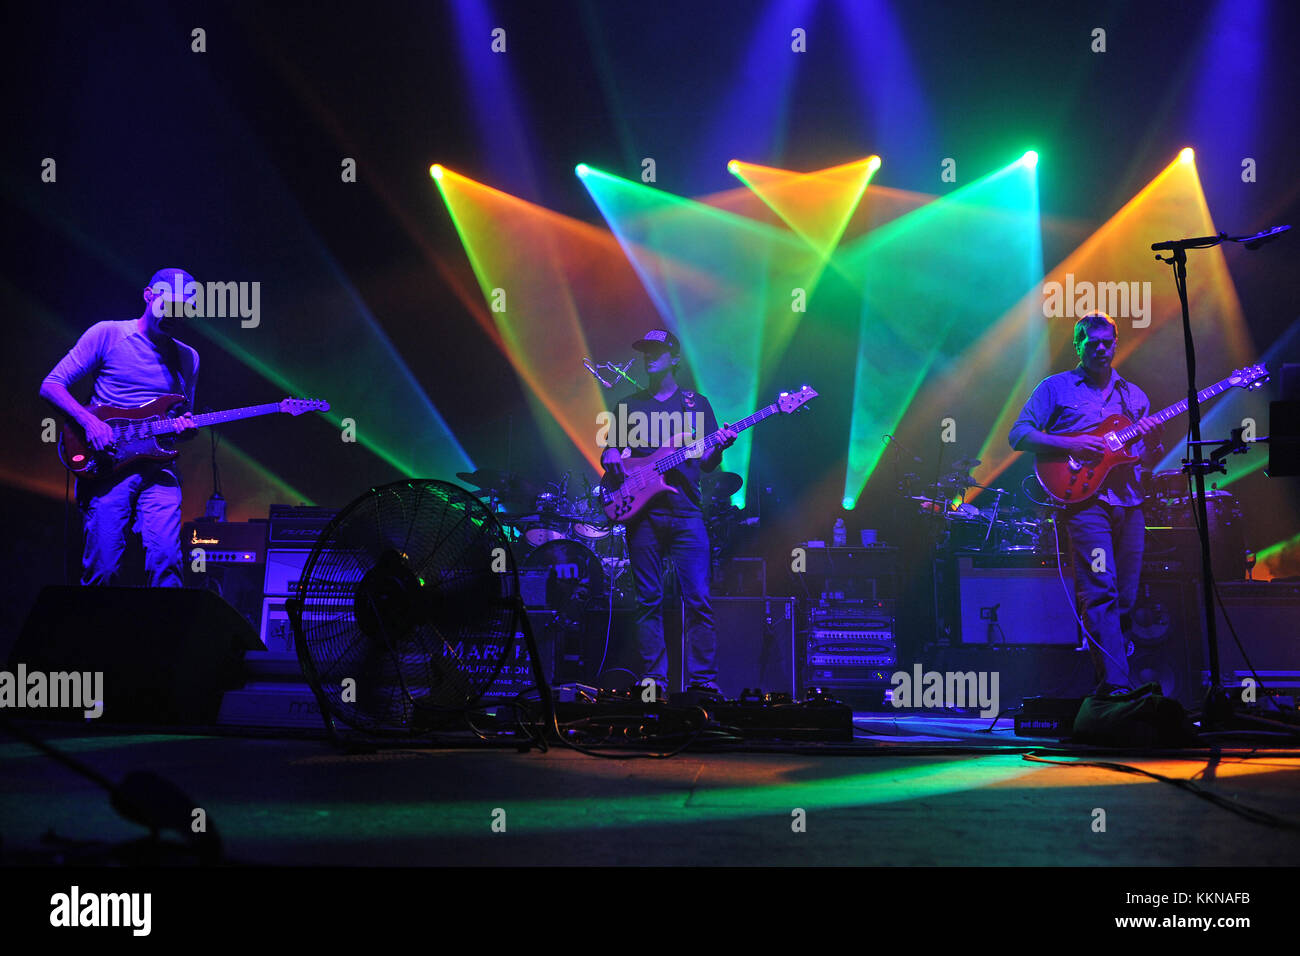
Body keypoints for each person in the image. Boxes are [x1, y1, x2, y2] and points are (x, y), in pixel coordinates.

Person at [1008, 311, 1163, 695]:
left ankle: (1110, 678)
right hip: (1085, 505)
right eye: (1090, 342)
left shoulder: (1135, 397)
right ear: (1078, 345)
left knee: (1126, 595)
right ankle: (1117, 689)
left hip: (1129, 503)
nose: (1099, 348)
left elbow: (1141, 456)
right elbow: (1018, 434)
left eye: (1106, 342)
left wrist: (1152, 442)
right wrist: (1072, 443)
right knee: (1100, 588)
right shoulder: (1055, 388)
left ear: (1115, 344)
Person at [39, 268, 200, 587]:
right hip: (108, 463)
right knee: (105, 568)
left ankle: (169, 635)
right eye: (168, 305)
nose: (174, 315)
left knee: (168, 563)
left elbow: (183, 419)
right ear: (149, 296)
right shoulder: (108, 333)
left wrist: (185, 428)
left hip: (159, 468)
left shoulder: (188, 358)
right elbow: (52, 384)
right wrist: (90, 422)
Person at [600, 329, 737, 700]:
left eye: (657, 351)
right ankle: (654, 683)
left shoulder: (696, 405)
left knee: (698, 598)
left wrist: (720, 448)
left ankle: (703, 683)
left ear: (674, 358)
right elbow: (612, 455)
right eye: (645, 351)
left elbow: (707, 463)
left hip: (687, 512)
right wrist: (609, 454)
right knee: (648, 600)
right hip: (641, 514)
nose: (649, 357)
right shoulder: (627, 406)